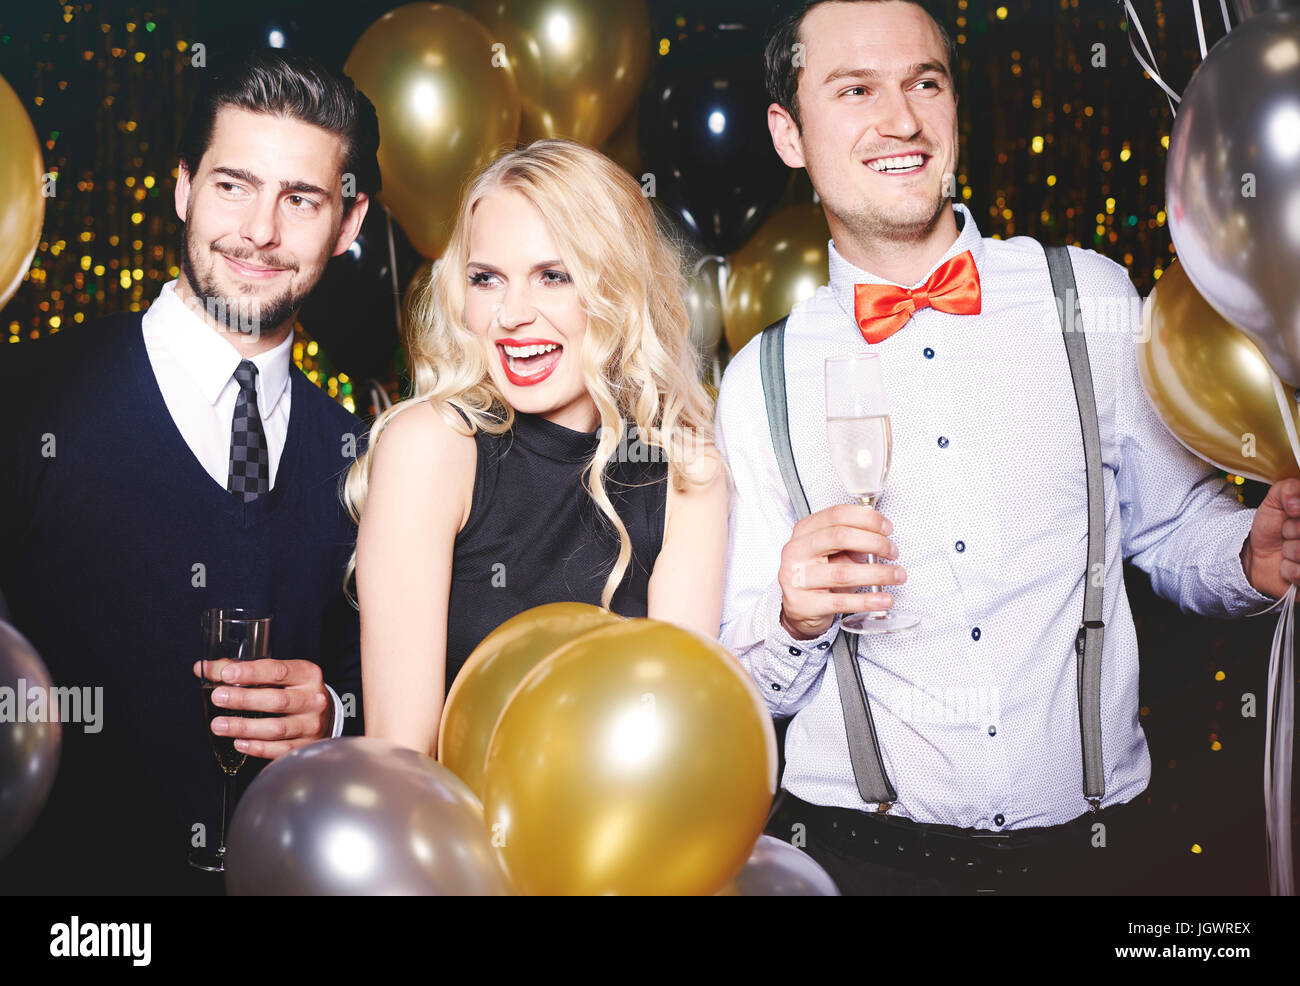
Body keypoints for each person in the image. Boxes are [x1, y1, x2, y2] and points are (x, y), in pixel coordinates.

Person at [715, 0, 1300, 895]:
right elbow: (734, 691)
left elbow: (1173, 529)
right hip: (863, 864)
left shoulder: (1091, 298)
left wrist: (1246, 555)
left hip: (1097, 862)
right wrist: (792, 618)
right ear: (788, 134)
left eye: (924, 82)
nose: (901, 120)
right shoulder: (760, 378)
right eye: (855, 90)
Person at [0, 51, 375, 893]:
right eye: (233, 185)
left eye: (301, 199)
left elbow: (391, 704)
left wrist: (331, 717)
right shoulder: (23, 400)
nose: (260, 231)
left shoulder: (369, 458)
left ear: (348, 226)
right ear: (184, 189)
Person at [345, 139, 729, 758]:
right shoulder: (432, 449)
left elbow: (680, 743)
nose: (512, 314)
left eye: (553, 276)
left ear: (617, 288)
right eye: (487, 279)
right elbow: (401, 762)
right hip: (451, 844)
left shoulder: (688, 474)